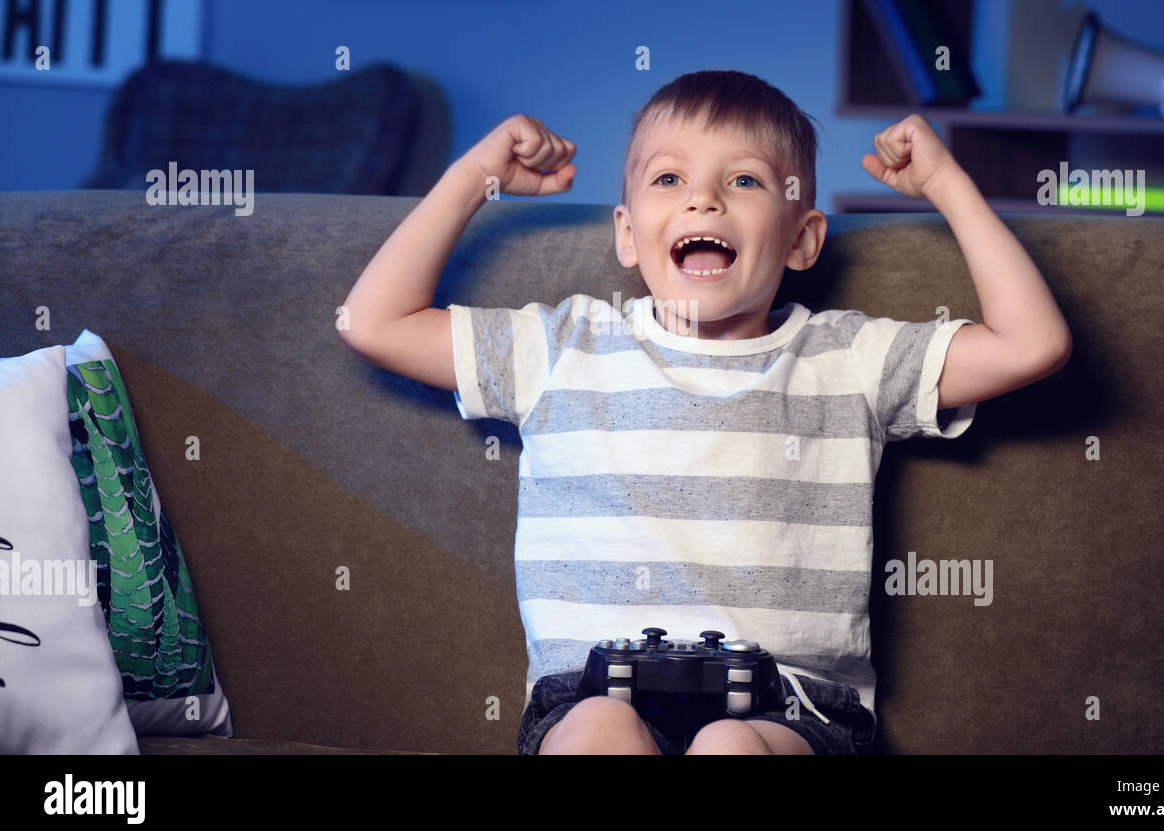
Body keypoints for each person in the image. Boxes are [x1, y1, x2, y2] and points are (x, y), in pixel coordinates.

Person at [339, 70, 1072, 755]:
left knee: (728, 746)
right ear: (627, 234)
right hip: (592, 689)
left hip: (790, 703)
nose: (704, 200)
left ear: (802, 238)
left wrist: (946, 184)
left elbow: (1032, 345)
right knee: (597, 731)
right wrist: (478, 176)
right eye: (669, 178)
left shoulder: (848, 357)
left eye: (745, 179)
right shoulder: (564, 345)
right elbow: (373, 322)